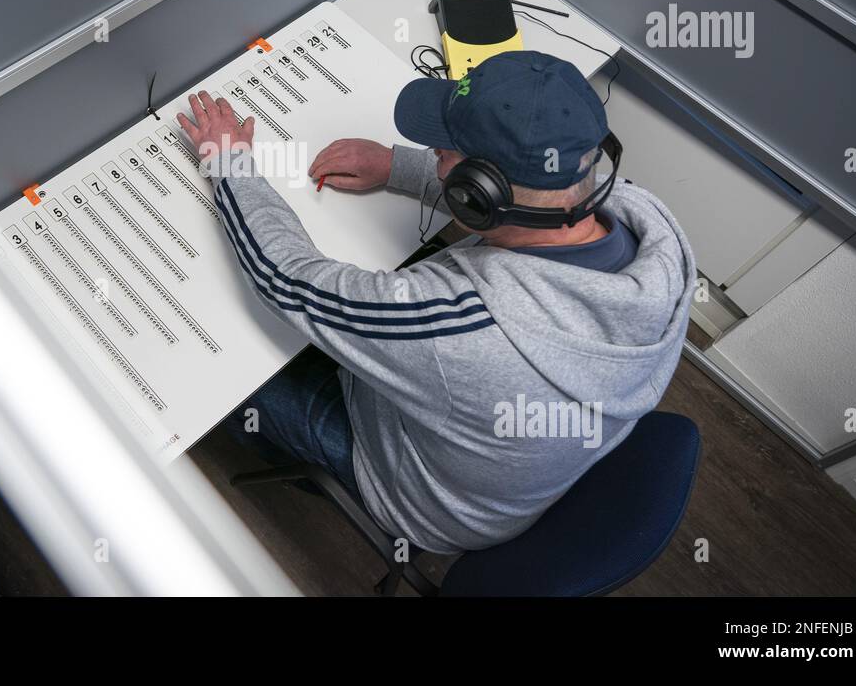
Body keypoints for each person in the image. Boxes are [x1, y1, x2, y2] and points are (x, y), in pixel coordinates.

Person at [176, 50, 695, 554]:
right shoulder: (648, 230)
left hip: (424, 502)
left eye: (444, 152)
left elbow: (286, 279)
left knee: (214, 360)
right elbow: (528, 201)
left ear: (479, 194)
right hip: (505, 478)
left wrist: (228, 161)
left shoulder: (467, 331)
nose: (435, 157)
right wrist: (397, 167)